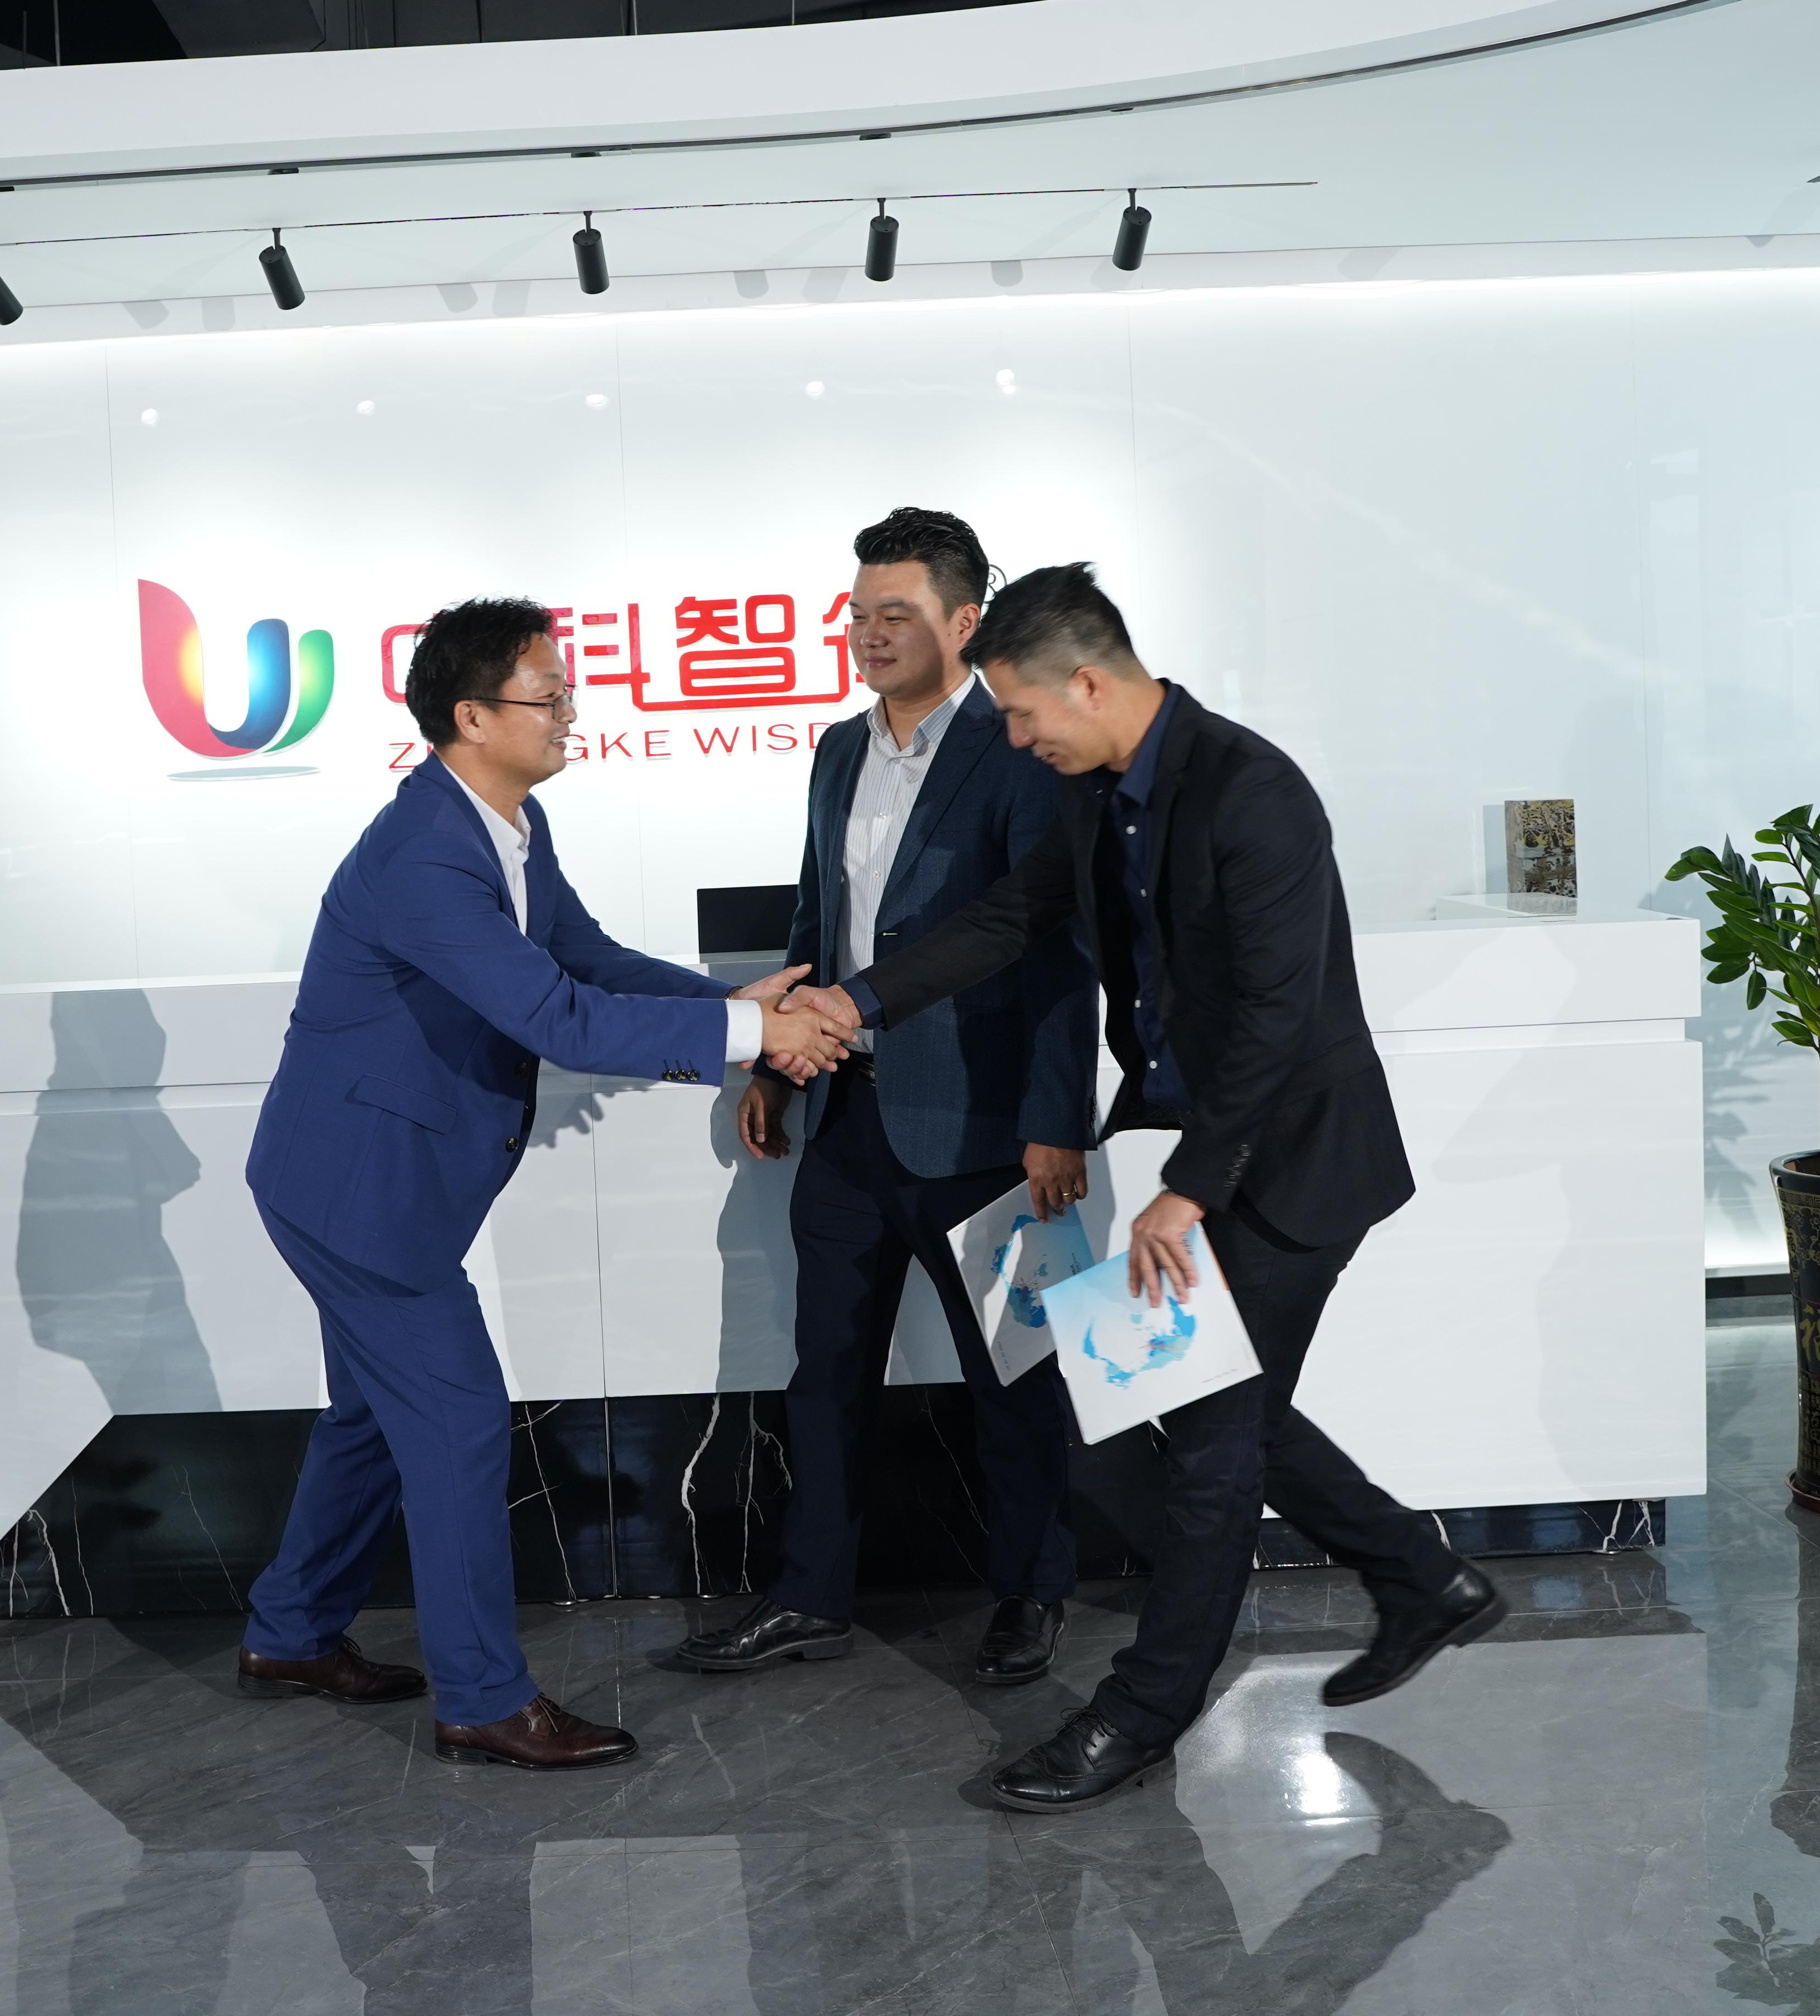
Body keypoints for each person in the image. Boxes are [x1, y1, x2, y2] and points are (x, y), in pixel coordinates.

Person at [787, 564, 1497, 1814]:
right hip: (1190, 1143)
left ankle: (1140, 1713)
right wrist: (856, 999)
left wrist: (1189, 1188)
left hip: (1291, 1161)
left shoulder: (1254, 790)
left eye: (1021, 715)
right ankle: (1420, 1574)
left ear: (1088, 683)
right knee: (1135, 1400)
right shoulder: (1092, 793)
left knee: (1213, 1436)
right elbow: (1010, 920)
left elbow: (1278, 1015)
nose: (1015, 740)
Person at [236, 598, 853, 1770]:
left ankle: (290, 1631)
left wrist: (734, 1006)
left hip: (376, 1178)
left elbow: (584, 955)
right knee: (458, 1418)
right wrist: (750, 1037)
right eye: (550, 694)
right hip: (360, 1191)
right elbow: (555, 1015)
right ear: (472, 716)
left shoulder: (509, 824)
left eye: (568, 690)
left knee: (375, 1416)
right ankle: (480, 1698)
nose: (572, 710)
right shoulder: (425, 852)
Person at [676, 508, 1096, 1686]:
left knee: (1012, 1371)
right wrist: (775, 1063)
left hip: (986, 1120)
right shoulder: (834, 751)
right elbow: (818, 916)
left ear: (964, 622)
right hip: (849, 1115)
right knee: (825, 1372)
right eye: (858, 613)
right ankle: (809, 1595)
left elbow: (1056, 944)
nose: (868, 633)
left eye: (896, 614)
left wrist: (1056, 1118)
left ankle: (1032, 1592)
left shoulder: (1018, 747)